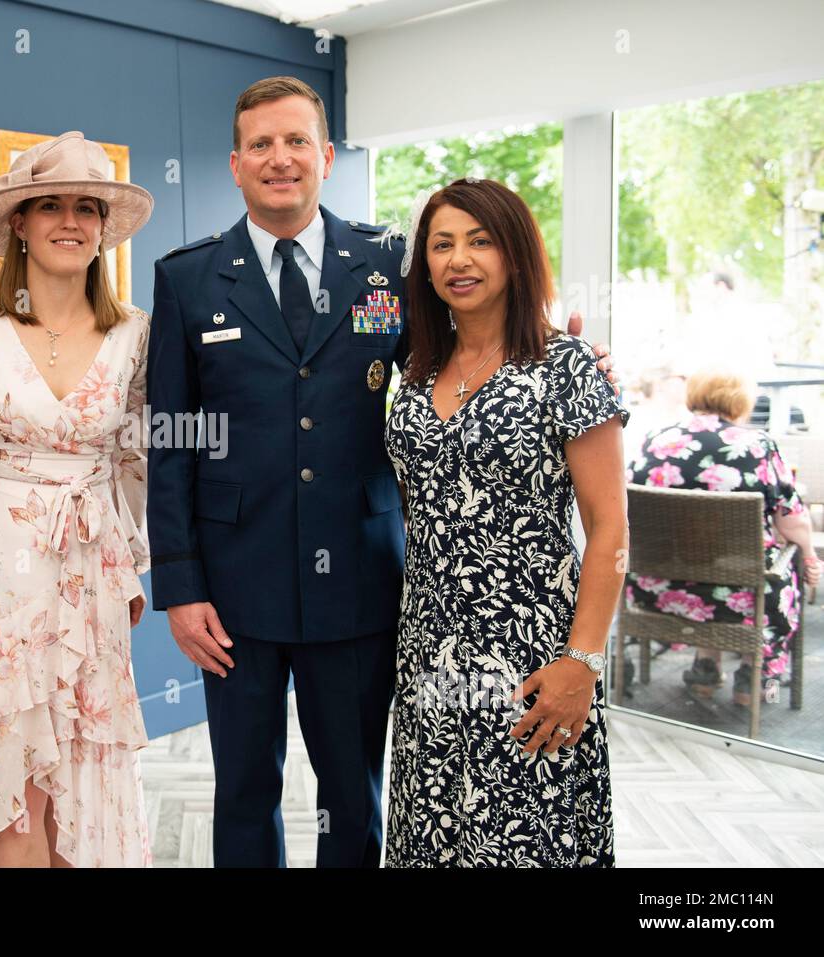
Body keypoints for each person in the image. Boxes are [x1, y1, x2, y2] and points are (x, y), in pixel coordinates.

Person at [148, 76, 618, 868]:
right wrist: (181, 583)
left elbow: (457, 363)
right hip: (235, 585)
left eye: (297, 140)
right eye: (260, 144)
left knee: (353, 793)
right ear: (235, 164)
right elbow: (170, 437)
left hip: (362, 581)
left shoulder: (382, 264)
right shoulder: (188, 278)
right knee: (241, 791)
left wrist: (561, 359)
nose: (280, 158)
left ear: (326, 156)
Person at [0, 131, 155, 868]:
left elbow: (137, 459)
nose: (70, 220)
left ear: (102, 227)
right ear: (17, 224)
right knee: (6, 772)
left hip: (91, 572)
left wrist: (133, 565)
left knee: (80, 765)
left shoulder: (135, 334)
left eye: (87, 207)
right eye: (49, 204)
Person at [383, 178, 628, 867]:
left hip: (533, 654)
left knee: (525, 837)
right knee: (433, 830)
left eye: (480, 240)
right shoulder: (417, 366)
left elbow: (609, 529)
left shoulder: (567, 366)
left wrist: (581, 662)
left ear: (515, 255)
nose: (459, 259)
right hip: (429, 649)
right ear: (425, 267)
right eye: (442, 244)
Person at [624, 368, 821, 705]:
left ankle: (705, 666)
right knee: (772, 565)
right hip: (744, 598)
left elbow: (627, 504)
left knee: (702, 559)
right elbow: (793, 522)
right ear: (740, 400)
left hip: (659, 589)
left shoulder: (656, 441)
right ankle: (752, 673)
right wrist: (809, 555)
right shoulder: (758, 446)